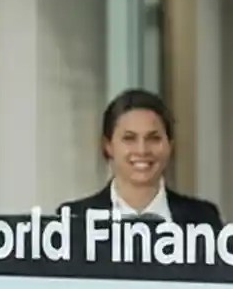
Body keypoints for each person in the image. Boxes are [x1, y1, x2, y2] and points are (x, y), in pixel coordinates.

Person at [60, 88, 223, 228]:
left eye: (154, 138)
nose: (142, 150)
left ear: (170, 145)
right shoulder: (74, 219)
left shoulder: (203, 219)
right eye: (129, 138)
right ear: (108, 145)